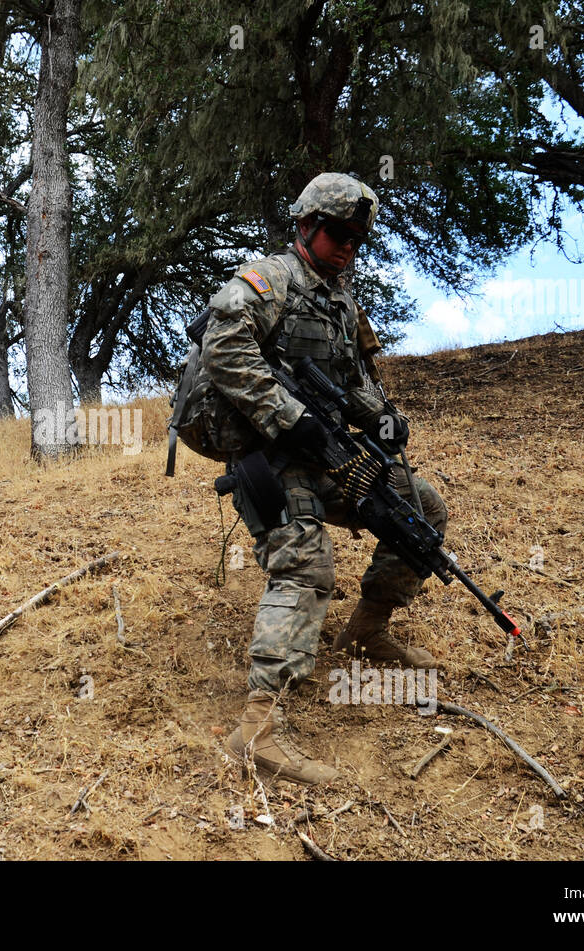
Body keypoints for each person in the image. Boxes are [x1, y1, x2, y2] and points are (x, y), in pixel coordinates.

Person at [199, 172, 448, 786]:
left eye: (357, 238)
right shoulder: (268, 280)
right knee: (307, 565)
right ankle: (256, 731)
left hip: (327, 454)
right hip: (268, 458)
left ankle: (366, 630)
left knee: (420, 509)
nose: (347, 246)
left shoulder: (339, 297)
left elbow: (353, 382)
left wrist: (383, 420)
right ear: (307, 225)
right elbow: (224, 350)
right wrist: (289, 418)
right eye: (338, 233)